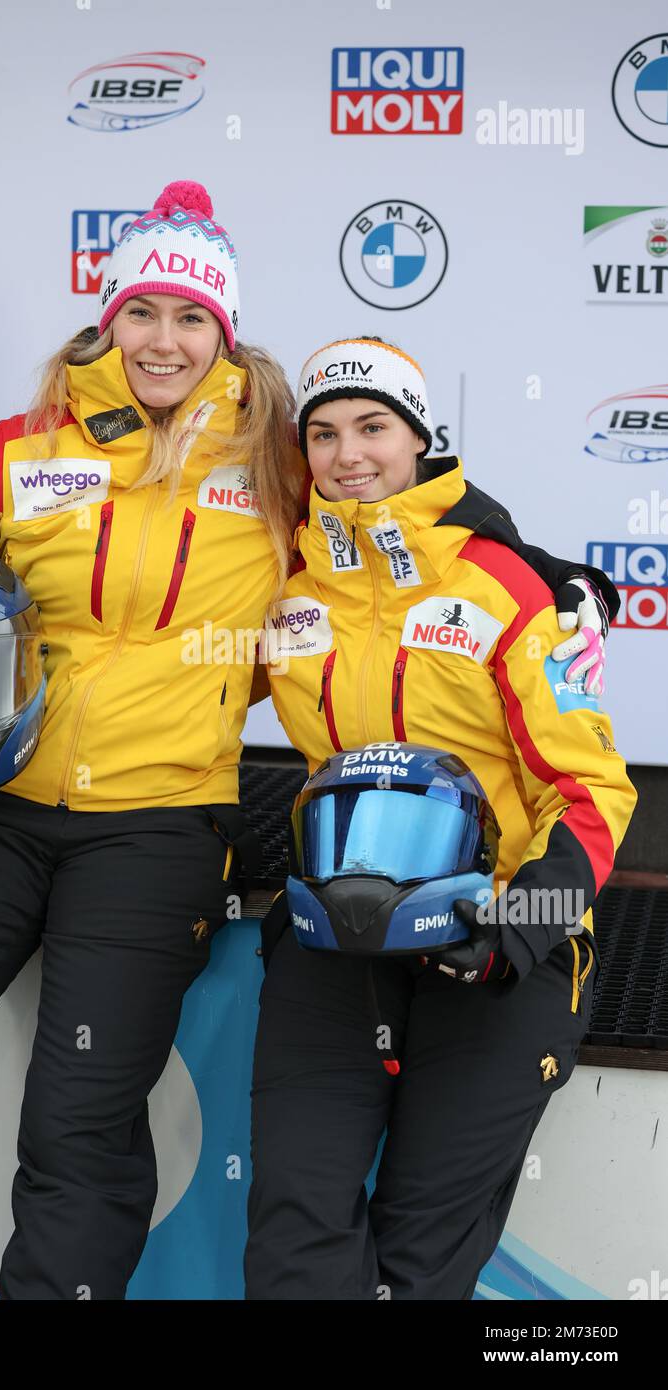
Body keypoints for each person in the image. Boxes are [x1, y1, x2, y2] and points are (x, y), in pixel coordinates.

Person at [0, 178, 611, 1301]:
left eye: (192, 318)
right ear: (107, 318)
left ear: (224, 332)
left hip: (155, 830)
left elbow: (401, 494)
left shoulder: (275, 461)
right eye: (142, 312)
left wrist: (554, 573)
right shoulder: (18, 455)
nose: (164, 340)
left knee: (78, 1130)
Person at [244, 336, 637, 1301]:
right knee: (295, 1240)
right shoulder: (282, 582)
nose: (348, 454)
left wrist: (517, 932)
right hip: (336, 936)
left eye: (374, 427)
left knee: (417, 1261)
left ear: (420, 439)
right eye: (325, 433)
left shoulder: (505, 586)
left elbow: (592, 795)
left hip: (490, 947)